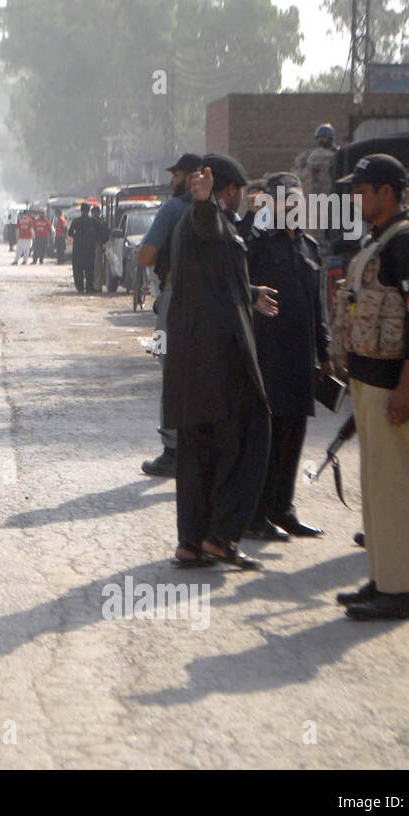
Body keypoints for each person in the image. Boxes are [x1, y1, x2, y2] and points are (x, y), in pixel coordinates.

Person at [333, 155, 409, 621]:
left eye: (362, 190)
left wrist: (407, 386)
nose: (356, 198)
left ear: (386, 193)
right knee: (376, 486)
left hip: (395, 385)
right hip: (370, 382)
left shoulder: (408, 245)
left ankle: (399, 593)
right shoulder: (379, 241)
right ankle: (381, 580)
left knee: (395, 488)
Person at [164, 155, 279, 571]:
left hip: (194, 361)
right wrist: (204, 202)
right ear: (228, 190)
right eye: (239, 192)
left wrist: (249, 292)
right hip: (219, 360)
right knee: (249, 436)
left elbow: (211, 276)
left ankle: (191, 543)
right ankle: (222, 536)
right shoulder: (205, 219)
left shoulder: (208, 228)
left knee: (199, 451)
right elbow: (206, 228)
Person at [244, 173, 330, 541]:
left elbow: (317, 305)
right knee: (270, 437)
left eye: (298, 200)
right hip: (268, 356)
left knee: (294, 434)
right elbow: (238, 289)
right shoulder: (257, 245)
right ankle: (257, 514)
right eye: (286, 201)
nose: (294, 207)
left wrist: (325, 352)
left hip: (300, 358)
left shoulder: (309, 248)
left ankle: (284, 509)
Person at [136, 153, 201, 477]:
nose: (173, 181)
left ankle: (172, 450)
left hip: (172, 300)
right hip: (211, 302)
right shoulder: (219, 209)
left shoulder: (173, 209)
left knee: (166, 363)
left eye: (177, 175)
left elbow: (145, 256)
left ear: (190, 177)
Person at [295, 123, 339, 244]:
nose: (321, 140)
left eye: (324, 137)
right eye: (319, 137)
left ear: (330, 138)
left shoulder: (337, 155)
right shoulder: (311, 156)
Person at [69, 204, 98, 292]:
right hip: (90, 249)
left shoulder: (76, 221)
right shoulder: (93, 221)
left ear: (81, 211)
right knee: (89, 269)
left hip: (78, 249)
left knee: (78, 269)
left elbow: (70, 233)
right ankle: (89, 287)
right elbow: (101, 231)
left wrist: (77, 237)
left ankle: (80, 288)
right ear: (89, 211)